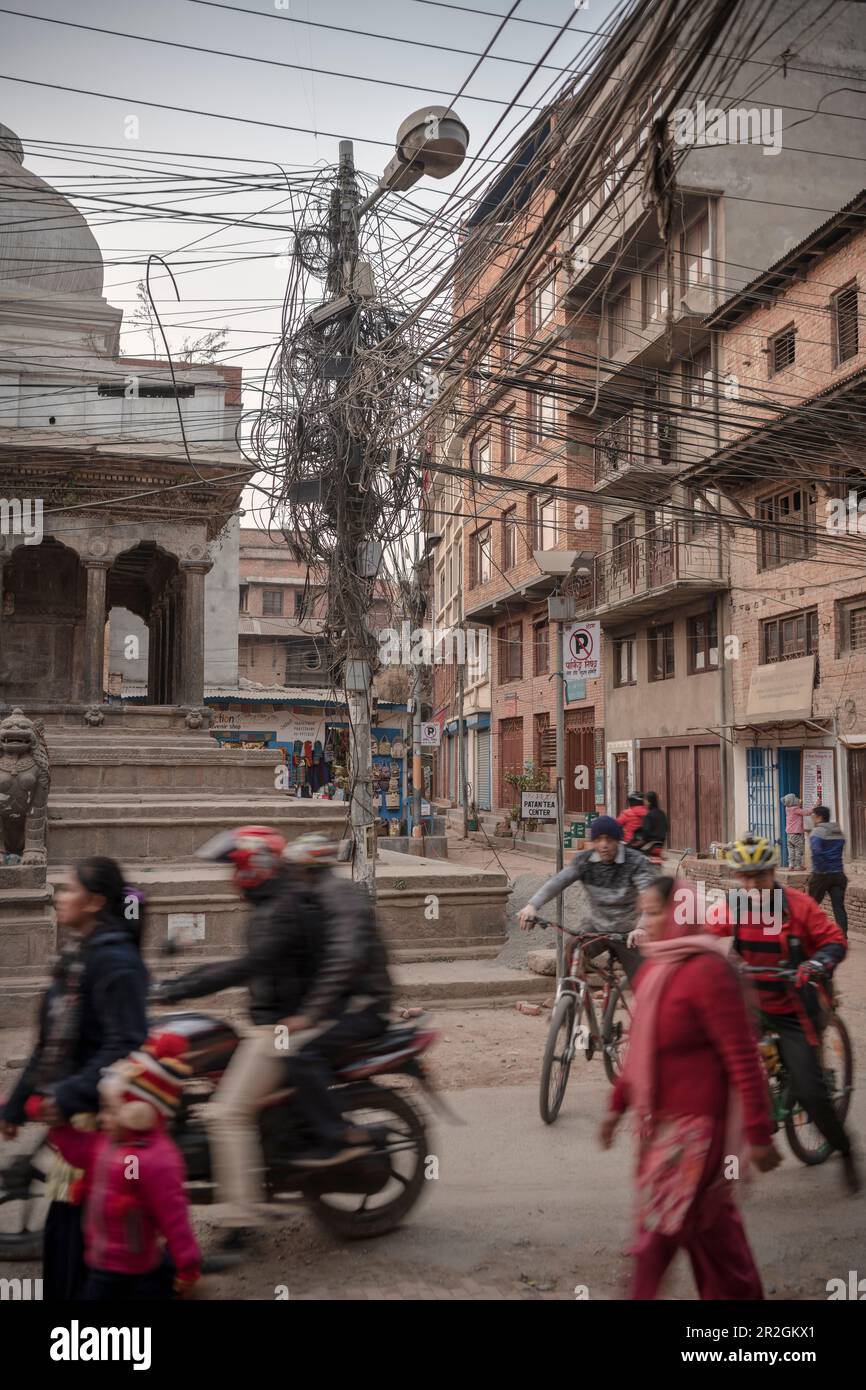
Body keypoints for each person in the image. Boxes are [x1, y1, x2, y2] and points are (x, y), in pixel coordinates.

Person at [600, 877, 778, 1301]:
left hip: (697, 1133)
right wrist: (615, 1107)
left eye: (655, 911)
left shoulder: (709, 972)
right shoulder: (656, 970)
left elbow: (742, 1058)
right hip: (662, 1128)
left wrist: (758, 1132)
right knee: (710, 1232)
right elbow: (642, 1051)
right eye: (644, 911)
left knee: (656, 1239)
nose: (647, 920)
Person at [1, 856, 148, 1300]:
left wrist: (67, 1093)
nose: (58, 896)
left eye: (68, 889)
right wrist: (17, 1101)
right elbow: (49, 1045)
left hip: (103, 1135)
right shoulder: (74, 958)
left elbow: (123, 1045)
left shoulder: (116, 963)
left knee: (101, 1264)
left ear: (96, 901)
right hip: (72, 1140)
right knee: (65, 1251)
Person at [711, 833, 858, 1193]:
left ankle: (845, 1149)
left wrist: (816, 964)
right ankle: (727, 1171)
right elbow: (702, 929)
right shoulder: (736, 905)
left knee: (809, 1090)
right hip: (748, 1007)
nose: (751, 885)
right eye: (743, 877)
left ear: (772, 872)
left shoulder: (798, 906)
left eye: (758, 876)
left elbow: (834, 942)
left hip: (794, 1011)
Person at [43, 1035, 200, 1301]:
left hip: (140, 1272)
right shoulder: (106, 1144)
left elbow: (174, 1217)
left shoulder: (156, 1159)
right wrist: (55, 1124)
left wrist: (188, 1264)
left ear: (140, 1113)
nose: (103, 1118)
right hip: (99, 1264)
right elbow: (78, 1150)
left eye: (111, 1111)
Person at [282, 834, 392, 1168]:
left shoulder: (338, 896)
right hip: (347, 1001)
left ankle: (338, 1136)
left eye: (295, 869)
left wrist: (311, 1014)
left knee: (300, 1053)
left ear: (308, 869)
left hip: (364, 1004)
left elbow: (346, 958)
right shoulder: (320, 896)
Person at [519, 816, 657, 983]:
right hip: (595, 927)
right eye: (598, 839)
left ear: (618, 841)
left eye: (609, 839)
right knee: (572, 950)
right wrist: (533, 905)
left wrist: (642, 928)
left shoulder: (636, 861)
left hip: (629, 932)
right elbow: (558, 881)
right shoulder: (584, 860)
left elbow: (650, 897)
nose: (604, 845)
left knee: (645, 983)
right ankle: (569, 1000)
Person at [807, 805, 848, 937]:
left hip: (822, 874)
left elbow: (817, 852)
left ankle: (809, 934)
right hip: (838, 873)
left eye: (813, 815)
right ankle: (842, 936)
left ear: (819, 817)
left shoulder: (817, 832)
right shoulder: (838, 832)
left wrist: (820, 871)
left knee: (810, 905)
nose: (812, 818)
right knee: (839, 907)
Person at [630, 791, 668, 856]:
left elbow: (646, 831)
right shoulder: (662, 813)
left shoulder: (649, 815)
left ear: (649, 802)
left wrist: (639, 839)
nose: (644, 802)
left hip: (650, 844)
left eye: (645, 800)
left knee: (631, 850)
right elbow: (666, 828)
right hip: (660, 844)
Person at [782, 793, 805, 870]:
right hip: (796, 833)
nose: (797, 799)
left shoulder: (787, 809)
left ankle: (791, 865)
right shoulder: (795, 809)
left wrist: (799, 803)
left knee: (791, 850)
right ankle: (798, 865)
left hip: (789, 834)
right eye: (795, 798)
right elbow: (806, 812)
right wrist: (815, 807)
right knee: (799, 848)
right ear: (792, 801)